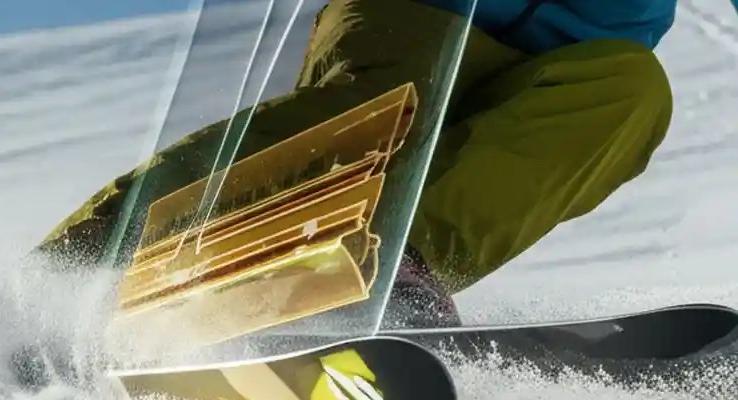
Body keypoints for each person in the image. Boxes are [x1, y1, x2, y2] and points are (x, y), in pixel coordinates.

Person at [36, 0, 736, 328]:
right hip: (418, 9)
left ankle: (402, 265)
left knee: (632, 93)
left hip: (561, 64)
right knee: (389, 102)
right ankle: (81, 261)